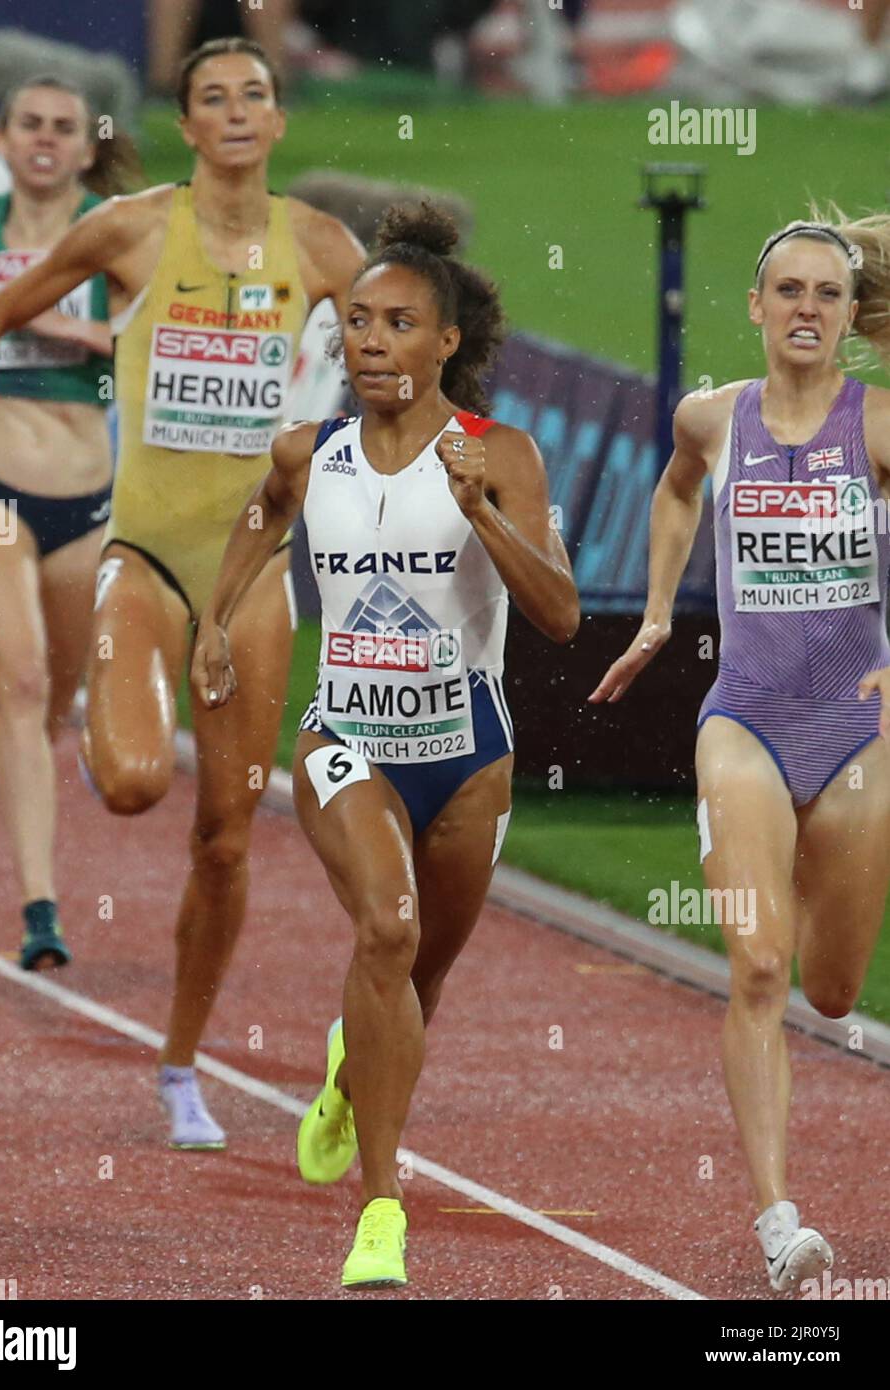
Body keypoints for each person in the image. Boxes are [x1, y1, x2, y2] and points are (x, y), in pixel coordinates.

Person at [0, 38, 364, 1150]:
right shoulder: (130, 230)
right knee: (128, 785)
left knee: (223, 837)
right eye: (210, 96)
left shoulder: (319, 245)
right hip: (146, 554)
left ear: (275, 123)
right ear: (184, 123)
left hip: (255, 575)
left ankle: (180, 1065)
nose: (232, 112)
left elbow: (395, 365)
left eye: (252, 96)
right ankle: (100, 722)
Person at [192, 201, 579, 1288]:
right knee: (387, 928)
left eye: (396, 324)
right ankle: (381, 1212)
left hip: (467, 760)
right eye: (354, 321)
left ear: (445, 342)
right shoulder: (306, 452)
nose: (367, 341)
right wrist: (218, 621)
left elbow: (556, 615)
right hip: (343, 744)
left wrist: (488, 517)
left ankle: (346, 1074)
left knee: (418, 974)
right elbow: (263, 516)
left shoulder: (497, 454)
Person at [591, 214, 890, 1292]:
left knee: (830, 989)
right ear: (755, 308)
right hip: (746, 717)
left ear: (849, 317)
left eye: (826, 293)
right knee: (758, 966)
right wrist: (661, 613)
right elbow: (673, 490)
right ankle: (778, 1222)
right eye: (788, 290)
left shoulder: (877, 426)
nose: (805, 307)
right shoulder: (710, 419)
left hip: (857, 726)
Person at [0, 76, 137, 969]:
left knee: (55, 691)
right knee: (20, 685)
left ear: (88, 148)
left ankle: (0, 666)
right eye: (29, 125)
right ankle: (39, 908)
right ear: (2, 137)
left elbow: (165, 338)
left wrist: (68, 329)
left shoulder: (117, 230)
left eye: (63, 128)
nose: (46, 140)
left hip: (86, 497)